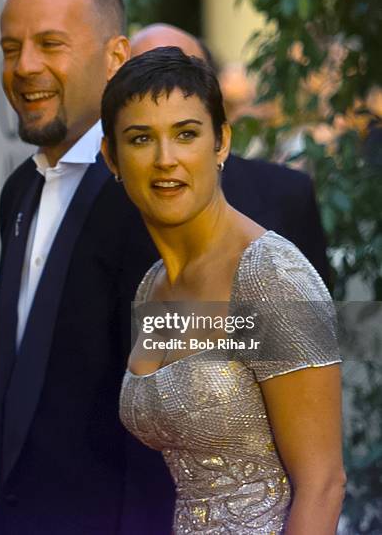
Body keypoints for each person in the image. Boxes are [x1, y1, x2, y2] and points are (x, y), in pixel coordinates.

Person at [100, 47, 346, 534]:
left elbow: (324, 485)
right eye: (141, 138)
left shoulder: (270, 276)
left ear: (221, 143)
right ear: (112, 157)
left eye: (186, 134)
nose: (165, 159)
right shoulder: (153, 285)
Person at [0, 0, 174, 535]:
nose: (25, 67)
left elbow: (173, 419)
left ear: (116, 58)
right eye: (11, 47)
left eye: (50, 44)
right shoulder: (18, 193)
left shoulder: (153, 197)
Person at [130, 23, 331, 285]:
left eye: (182, 79)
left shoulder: (286, 196)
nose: (161, 97)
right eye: (141, 80)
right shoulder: (98, 205)